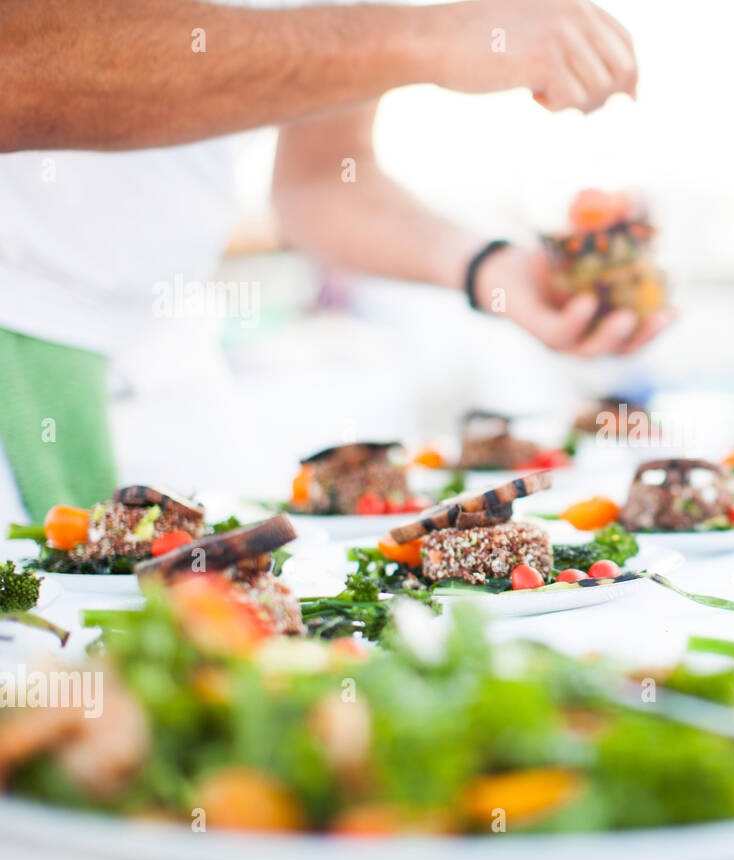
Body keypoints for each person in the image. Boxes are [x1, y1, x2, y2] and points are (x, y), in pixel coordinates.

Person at [0, 0, 674, 520]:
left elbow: (320, 183)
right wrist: (425, 39)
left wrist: (490, 270)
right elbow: (17, 60)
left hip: (165, 356)